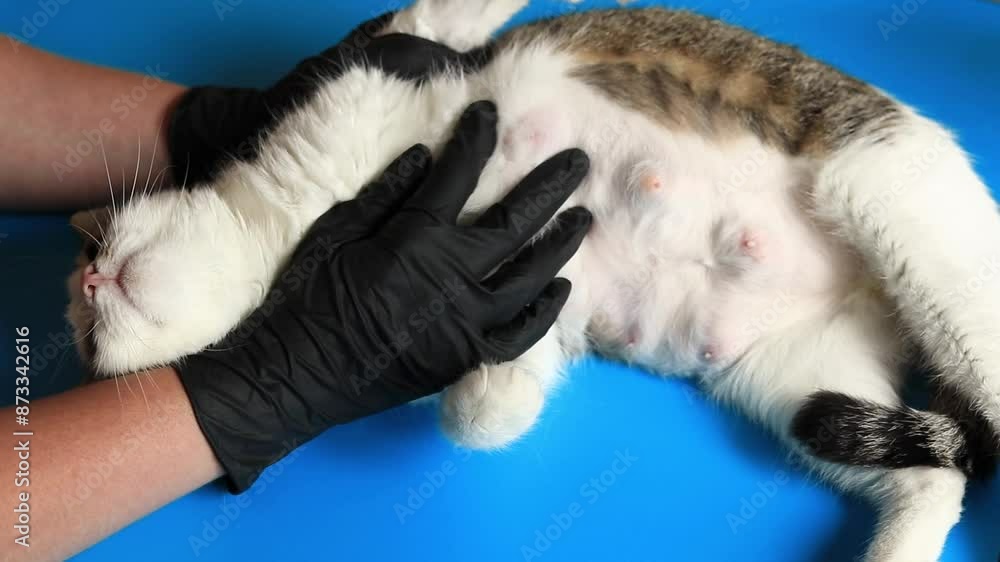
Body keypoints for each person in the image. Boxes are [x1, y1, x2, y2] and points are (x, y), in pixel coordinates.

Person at [1, 16, 593, 561]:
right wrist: (261, 395)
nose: (92, 283)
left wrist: (207, 128)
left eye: (92, 252)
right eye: (92, 335)